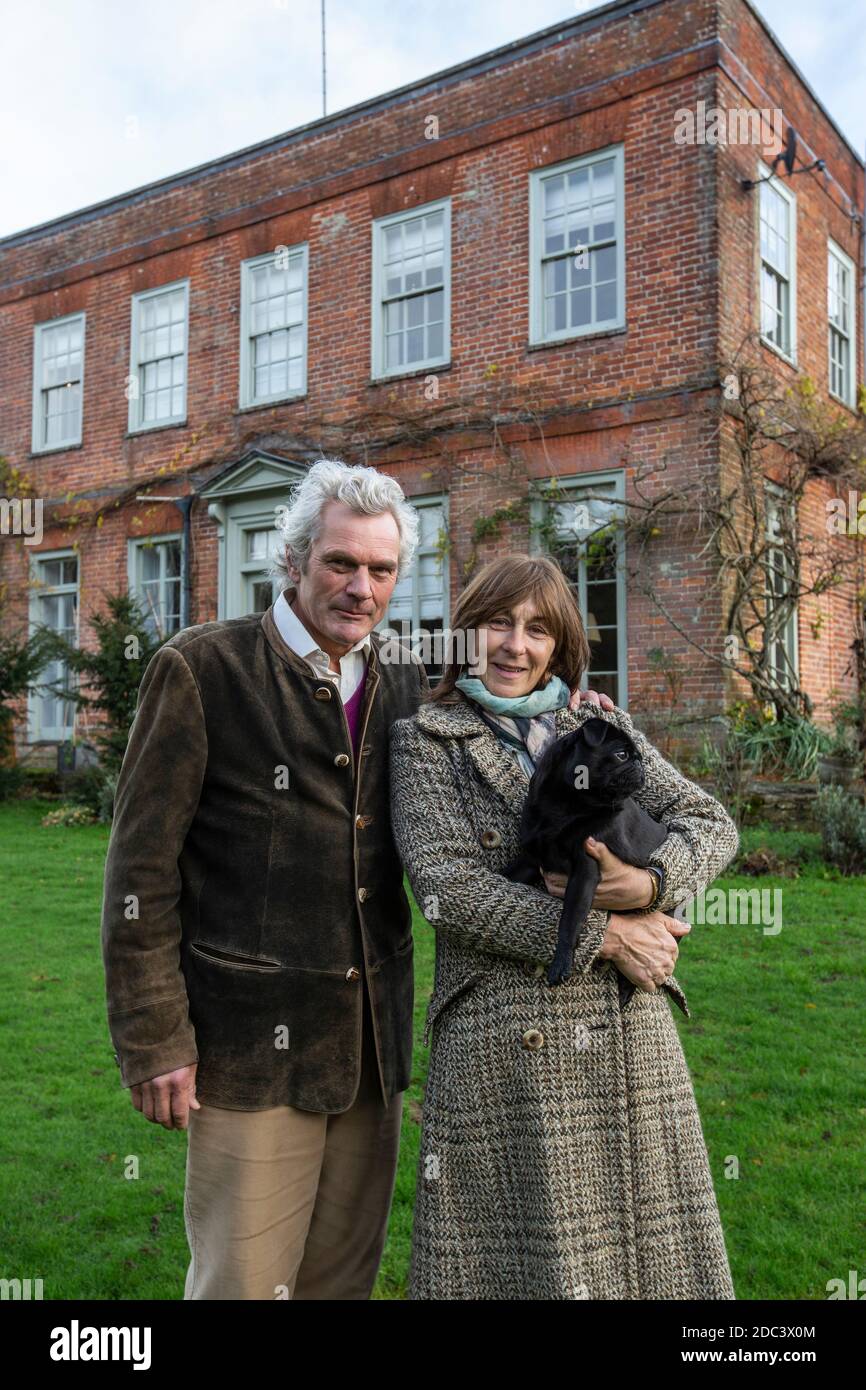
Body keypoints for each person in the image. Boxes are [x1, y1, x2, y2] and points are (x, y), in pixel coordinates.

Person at [101, 458, 429, 1300]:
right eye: (340, 563)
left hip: (369, 1047)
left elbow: (495, 749)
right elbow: (141, 873)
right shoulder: (202, 670)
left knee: (338, 1286)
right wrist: (154, 1039)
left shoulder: (405, 681)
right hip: (248, 1050)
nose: (361, 587)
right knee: (242, 1286)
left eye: (381, 569)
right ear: (293, 561)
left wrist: (574, 715)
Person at [389, 554, 739, 1300]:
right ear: (465, 633)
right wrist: (605, 935)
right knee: (524, 1274)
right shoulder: (427, 739)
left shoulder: (596, 722)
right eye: (497, 623)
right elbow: (449, 890)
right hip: (503, 1047)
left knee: (653, 1271)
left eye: (537, 629)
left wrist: (648, 883)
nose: (515, 645)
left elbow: (710, 822)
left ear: (561, 644)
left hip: (629, 1040)